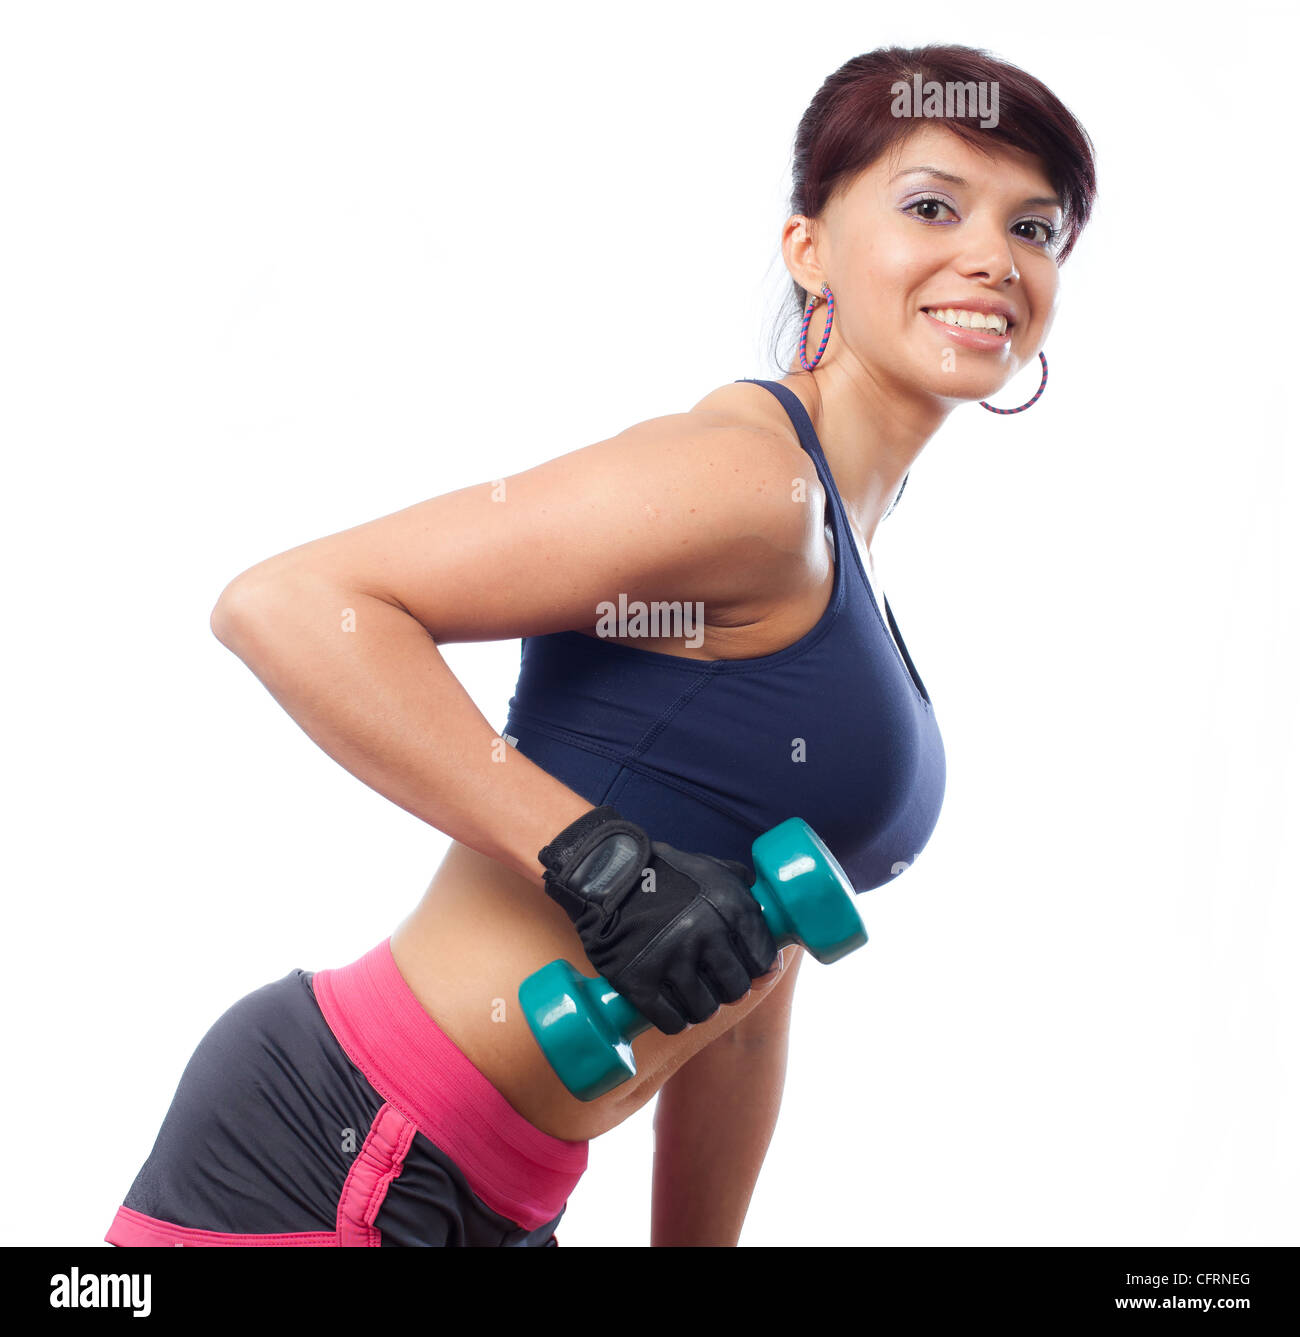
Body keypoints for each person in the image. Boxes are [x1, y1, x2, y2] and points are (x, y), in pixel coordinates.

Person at [105, 42, 1096, 1248]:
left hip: (505, 1194)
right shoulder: (750, 482)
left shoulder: (848, 565)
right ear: (808, 248)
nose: (992, 257)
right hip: (342, 1145)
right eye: (933, 206)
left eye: (1034, 228)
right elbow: (291, 603)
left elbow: (745, 1000)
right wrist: (601, 864)